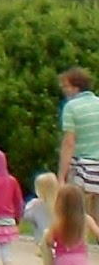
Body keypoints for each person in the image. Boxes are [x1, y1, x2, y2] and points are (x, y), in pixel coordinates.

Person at [59, 67, 99, 223]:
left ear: (76, 87)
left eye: (66, 86)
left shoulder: (71, 107)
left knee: (75, 213)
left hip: (82, 168)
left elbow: (69, 142)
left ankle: (75, 246)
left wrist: (61, 175)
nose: (64, 90)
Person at [27, 171, 61, 265]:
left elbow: (27, 216)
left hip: (44, 236)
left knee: (48, 257)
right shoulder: (60, 203)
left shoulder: (36, 204)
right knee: (55, 256)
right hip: (59, 235)